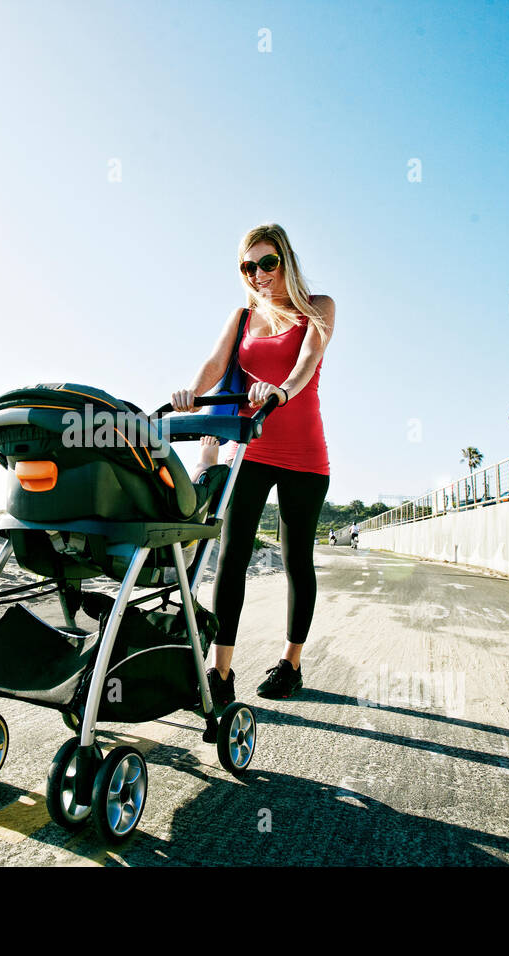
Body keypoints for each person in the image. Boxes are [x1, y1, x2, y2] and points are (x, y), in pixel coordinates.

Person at [171, 223, 334, 702]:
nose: (259, 274)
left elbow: (308, 360)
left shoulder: (318, 307)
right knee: (232, 555)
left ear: (286, 260)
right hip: (250, 446)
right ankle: (220, 673)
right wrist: (192, 393)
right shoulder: (242, 317)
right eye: (249, 266)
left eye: (267, 263)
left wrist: (280, 391)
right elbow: (214, 364)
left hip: (304, 452)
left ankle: (290, 663)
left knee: (296, 557)